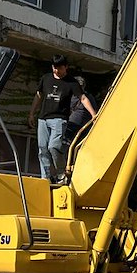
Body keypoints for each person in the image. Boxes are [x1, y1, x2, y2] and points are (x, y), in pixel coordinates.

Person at [27, 54, 96, 183]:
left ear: (66, 67)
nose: (56, 71)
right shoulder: (46, 78)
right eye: (54, 68)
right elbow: (38, 96)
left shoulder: (71, 82)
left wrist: (93, 114)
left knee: (54, 147)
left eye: (59, 68)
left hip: (59, 119)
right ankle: (45, 177)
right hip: (43, 118)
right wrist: (32, 114)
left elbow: (83, 98)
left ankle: (60, 173)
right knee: (42, 149)